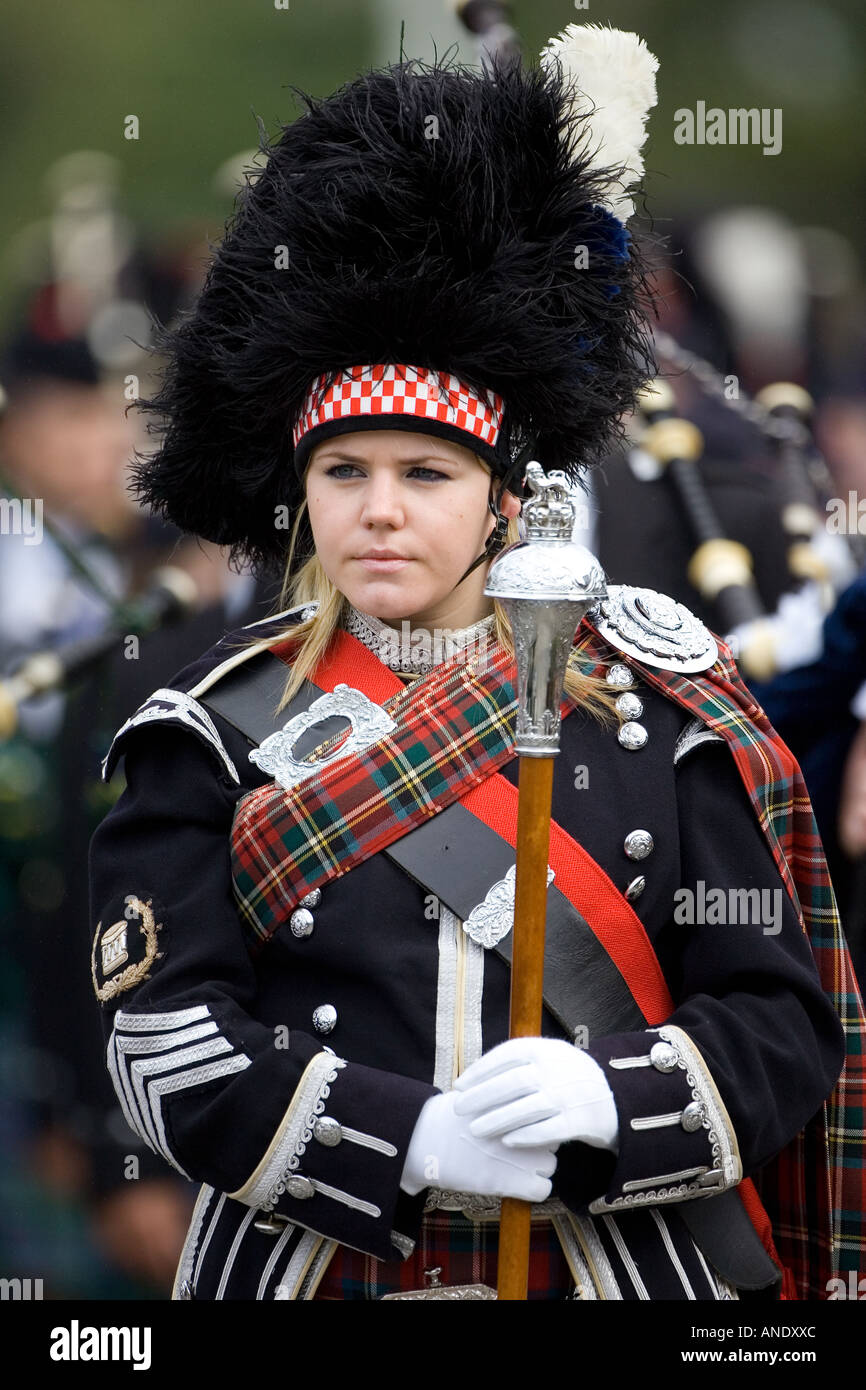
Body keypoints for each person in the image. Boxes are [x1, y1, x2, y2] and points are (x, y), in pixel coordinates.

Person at [87, 26, 864, 1300]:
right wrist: (404, 1139)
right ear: (302, 486)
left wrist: (614, 1096)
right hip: (316, 1268)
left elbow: (779, 1022)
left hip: (603, 1268)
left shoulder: (656, 701)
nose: (378, 510)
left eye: (425, 475)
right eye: (343, 472)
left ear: (507, 499)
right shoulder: (208, 725)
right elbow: (160, 1034)